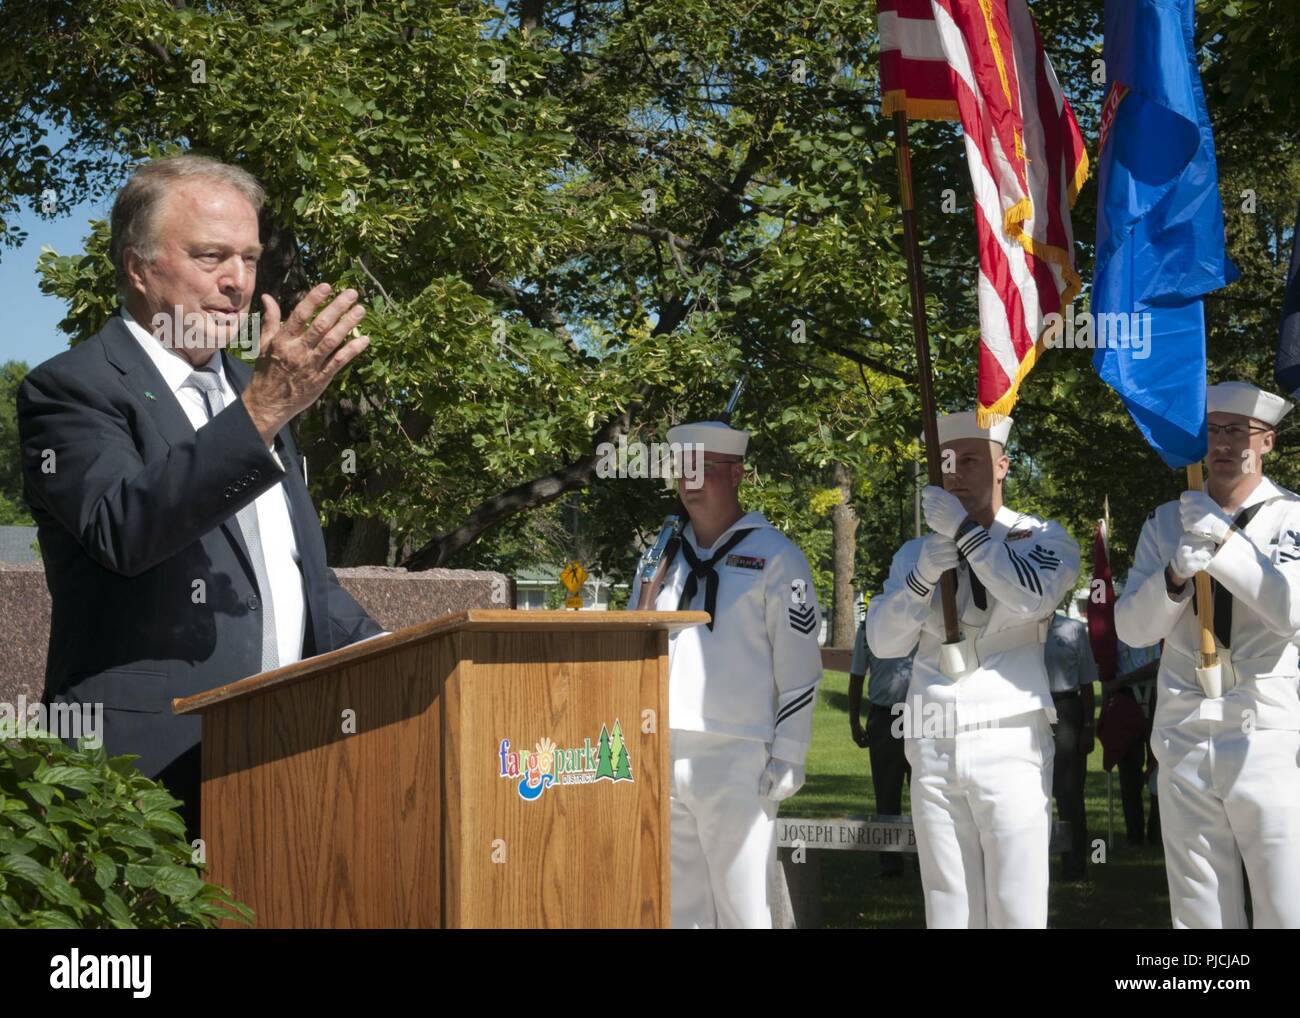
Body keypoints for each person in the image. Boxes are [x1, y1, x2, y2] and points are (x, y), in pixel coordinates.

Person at [17, 155, 384, 842]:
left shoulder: (258, 392)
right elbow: (123, 528)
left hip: (285, 765)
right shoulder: (72, 390)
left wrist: (414, 657)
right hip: (142, 780)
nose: (237, 282)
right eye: (211, 256)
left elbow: (298, 582)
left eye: (248, 258)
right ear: (137, 267)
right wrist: (262, 411)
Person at [866, 411, 1080, 928]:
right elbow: (883, 640)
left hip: (1009, 737)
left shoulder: (1043, 536)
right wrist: (921, 576)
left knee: (1016, 904)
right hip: (932, 740)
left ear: (1003, 465)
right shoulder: (916, 553)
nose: (954, 473)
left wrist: (967, 536)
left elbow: (1030, 597)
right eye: (943, 462)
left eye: (968, 460)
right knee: (947, 903)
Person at [1115, 381, 1300, 928]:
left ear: (1266, 442)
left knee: (1283, 899)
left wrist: (1221, 544)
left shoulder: (1291, 517)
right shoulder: (1164, 521)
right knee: (1198, 910)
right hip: (1185, 729)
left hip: (1264, 730)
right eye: (1211, 432)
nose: (1221, 444)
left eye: (1237, 433)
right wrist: (1174, 576)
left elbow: (1287, 610)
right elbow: (1131, 628)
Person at [630, 419, 823, 929]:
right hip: (665, 748)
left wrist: (790, 752)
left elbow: (801, 664)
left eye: (706, 469)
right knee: (681, 911)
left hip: (739, 755)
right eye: (683, 469)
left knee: (743, 910)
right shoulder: (659, 559)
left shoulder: (778, 557)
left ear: (737, 474)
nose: (691, 481)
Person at [847, 618, 913, 877]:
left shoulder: (923, 618)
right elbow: (856, 676)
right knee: (886, 794)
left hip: (922, 715)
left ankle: (927, 859)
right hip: (884, 717)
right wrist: (854, 722)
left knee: (925, 793)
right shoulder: (869, 627)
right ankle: (890, 863)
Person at [1043, 605, 1098, 880]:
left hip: (1066, 710)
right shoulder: (1020, 629)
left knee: (1069, 792)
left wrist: (1088, 726)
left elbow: (1087, 682)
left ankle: (1074, 865)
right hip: (1033, 712)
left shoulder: (1074, 629)